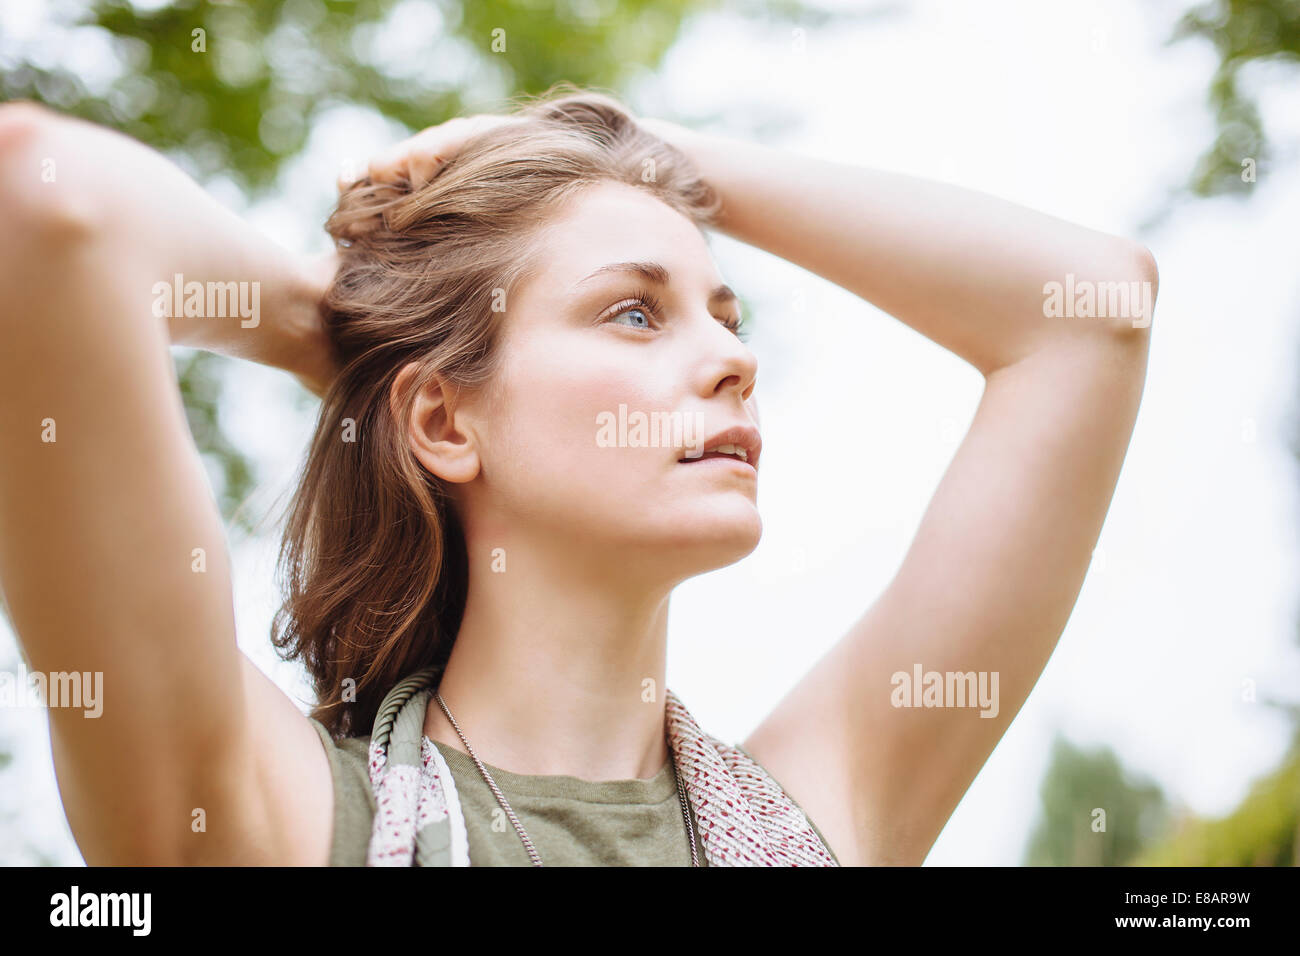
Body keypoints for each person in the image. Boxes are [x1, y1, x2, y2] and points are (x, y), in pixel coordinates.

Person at [0, 82, 1157, 866]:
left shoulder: (810, 818)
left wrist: (662, 151)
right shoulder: (284, 817)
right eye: (632, 312)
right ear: (445, 422)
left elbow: (1093, 308)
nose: (734, 359)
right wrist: (326, 322)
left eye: (723, 311)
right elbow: (47, 196)